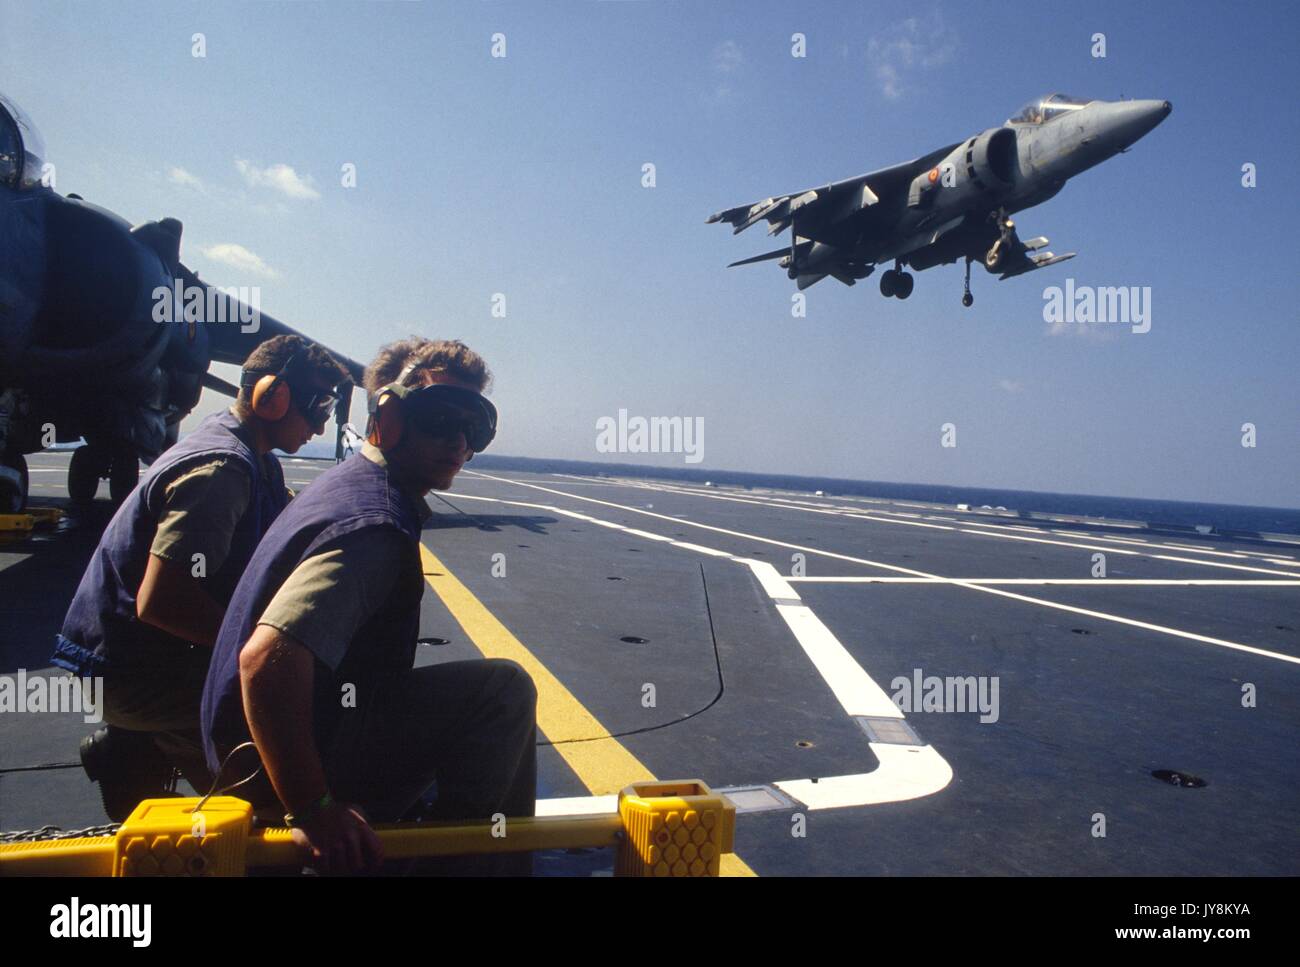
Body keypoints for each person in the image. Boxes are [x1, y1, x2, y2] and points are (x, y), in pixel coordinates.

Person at [200, 337, 537, 875]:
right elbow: (265, 661)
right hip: (267, 770)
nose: (458, 441)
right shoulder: (374, 525)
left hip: (248, 747)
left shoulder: (348, 484)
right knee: (502, 692)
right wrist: (313, 809)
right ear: (388, 417)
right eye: (441, 419)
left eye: (472, 427)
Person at [51, 334, 349, 820]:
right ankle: (141, 748)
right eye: (317, 406)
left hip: (142, 661)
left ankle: (137, 750)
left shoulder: (249, 453)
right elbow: (162, 599)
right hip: (133, 676)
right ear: (272, 397)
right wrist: (260, 652)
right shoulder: (223, 469)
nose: (320, 425)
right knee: (282, 769)